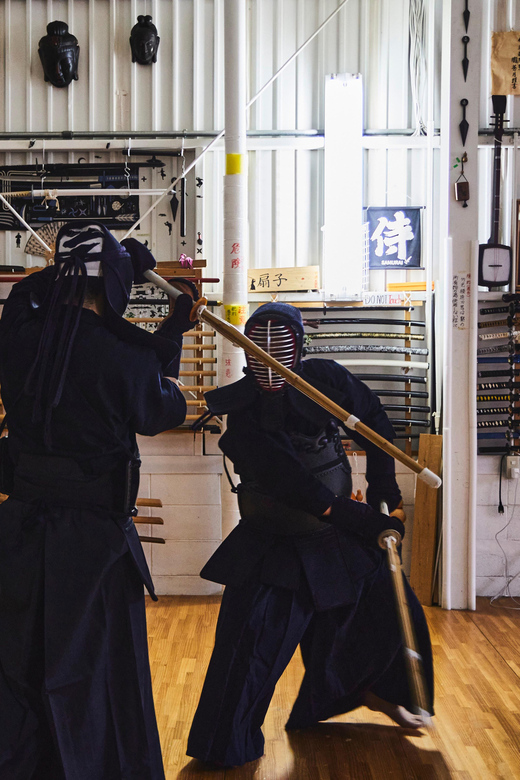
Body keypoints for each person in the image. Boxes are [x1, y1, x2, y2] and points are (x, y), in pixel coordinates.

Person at [187, 302, 434, 768]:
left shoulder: (326, 380)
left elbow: (374, 424)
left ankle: (375, 688)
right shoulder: (240, 413)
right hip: (275, 540)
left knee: (379, 601)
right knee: (249, 651)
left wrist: (385, 489)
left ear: (299, 348)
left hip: (332, 537)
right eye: (258, 351)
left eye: (280, 348)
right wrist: (366, 521)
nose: (270, 361)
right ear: (245, 354)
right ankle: (225, 745)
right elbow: (300, 489)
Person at [0, 223, 194, 779]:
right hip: (92, 550)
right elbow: (164, 409)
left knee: (20, 668)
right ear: (113, 286)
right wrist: (172, 325)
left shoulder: (16, 340)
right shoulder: (123, 360)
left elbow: (27, 296)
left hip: (18, 538)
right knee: (94, 679)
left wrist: (93, 260)